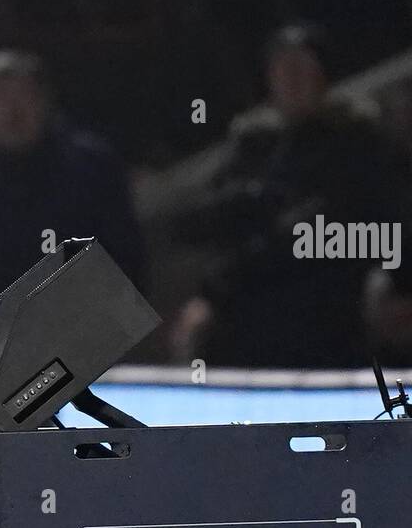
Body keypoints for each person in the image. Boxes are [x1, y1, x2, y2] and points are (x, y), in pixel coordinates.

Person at [172, 24, 407, 368]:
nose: (290, 82)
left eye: (301, 70)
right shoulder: (256, 148)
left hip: (332, 308)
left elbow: (383, 224)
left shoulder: (355, 144)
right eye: (282, 71)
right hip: (251, 309)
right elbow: (206, 224)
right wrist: (210, 296)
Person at [0, 50, 147, 363]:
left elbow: (125, 261)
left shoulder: (90, 168)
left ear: (44, 102)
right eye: (1, 97)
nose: (13, 109)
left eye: (24, 95)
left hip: (74, 358)